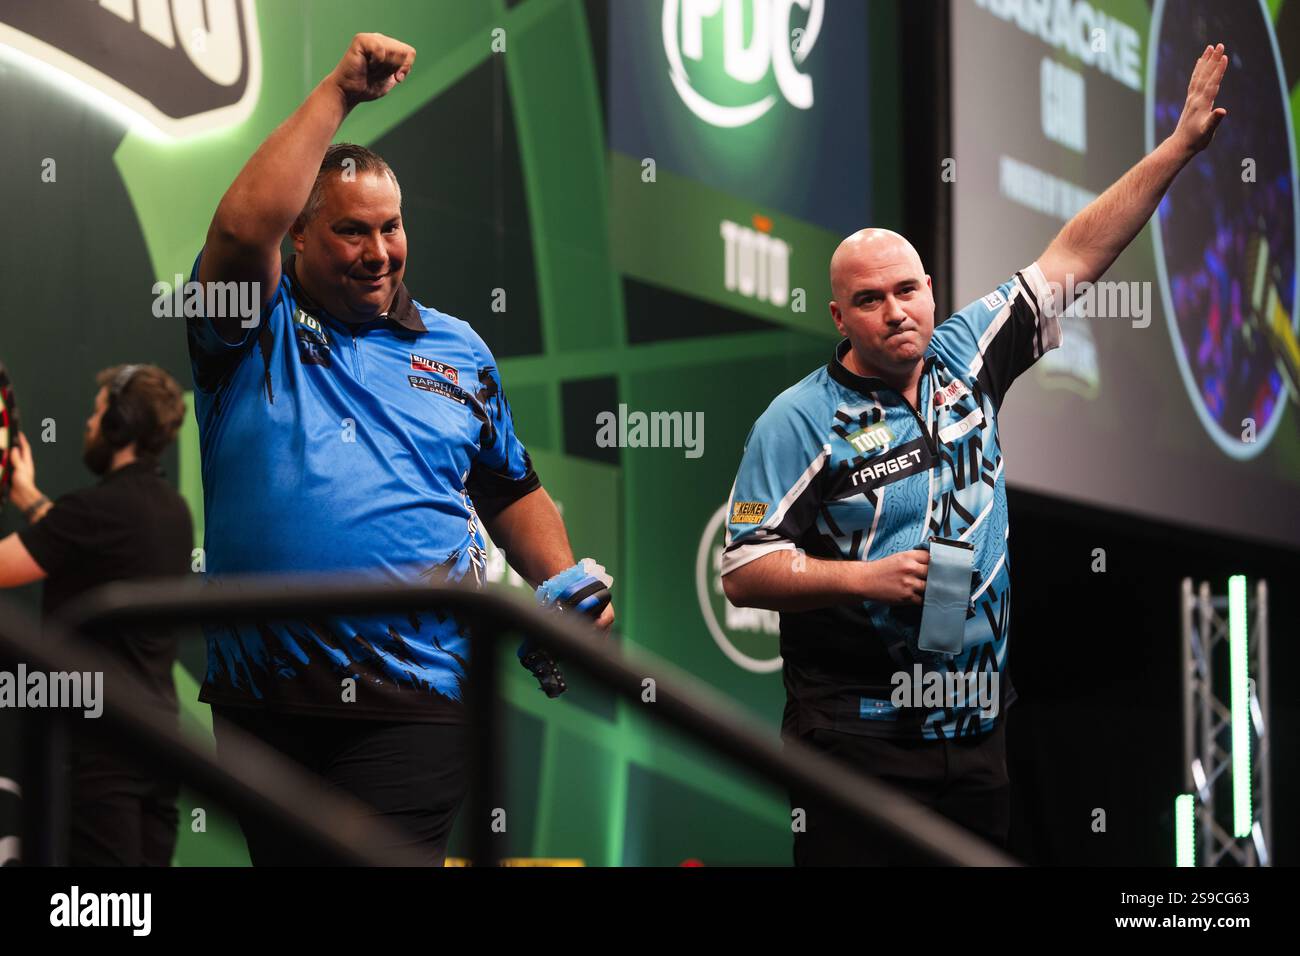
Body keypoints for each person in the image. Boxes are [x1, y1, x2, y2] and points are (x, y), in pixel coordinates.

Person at [721, 45, 1230, 865]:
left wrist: (1176, 148)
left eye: (908, 289)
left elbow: (1074, 255)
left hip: (977, 731)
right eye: (869, 300)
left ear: (930, 287)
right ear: (838, 316)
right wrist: (865, 578)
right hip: (856, 742)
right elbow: (743, 567)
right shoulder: (799, 421)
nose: (895, 311)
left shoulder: (969, 354)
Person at [188, 32, 613, 866]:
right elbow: (239, 231)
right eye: (351, 231)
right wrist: (339, 93)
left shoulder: (458, 351)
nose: (380, 253)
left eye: (392, 228)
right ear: (298, 239)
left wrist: (561, 583)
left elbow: (510, 486)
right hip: (260, 694)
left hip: (416, 694)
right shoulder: (244, 333)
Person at [0, 364, 193, 865]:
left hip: (100, 756)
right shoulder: (171, 510)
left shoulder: (96, 512)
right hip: (157, 750)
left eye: (97, 413)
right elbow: (77, 543)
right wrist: (29, 496)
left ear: (117, 428)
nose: (87, 424)